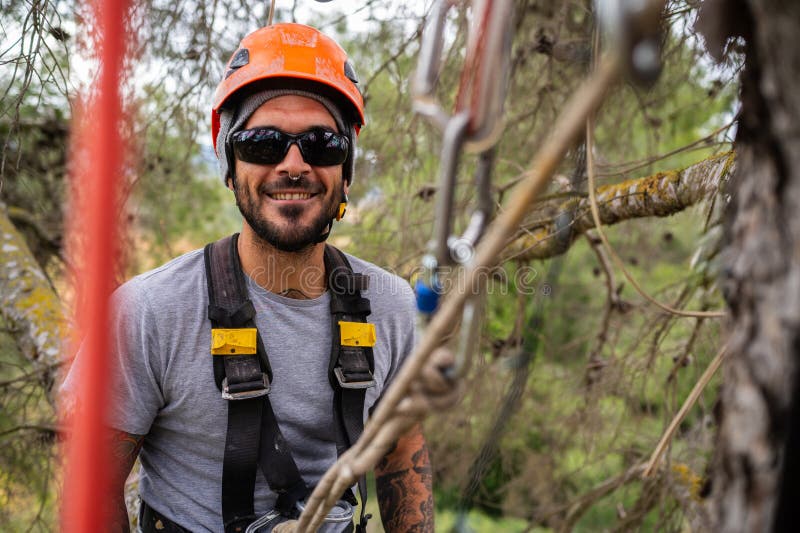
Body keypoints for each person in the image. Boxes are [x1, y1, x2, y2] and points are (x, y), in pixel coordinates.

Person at [62, 22, 456, 533]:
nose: (294, 166)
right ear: (229, 163)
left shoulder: (391, 306)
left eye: (322, 143)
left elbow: (402, 463)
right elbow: (88, 493)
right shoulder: (148, 313)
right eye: (263, 143)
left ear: (346, 167)